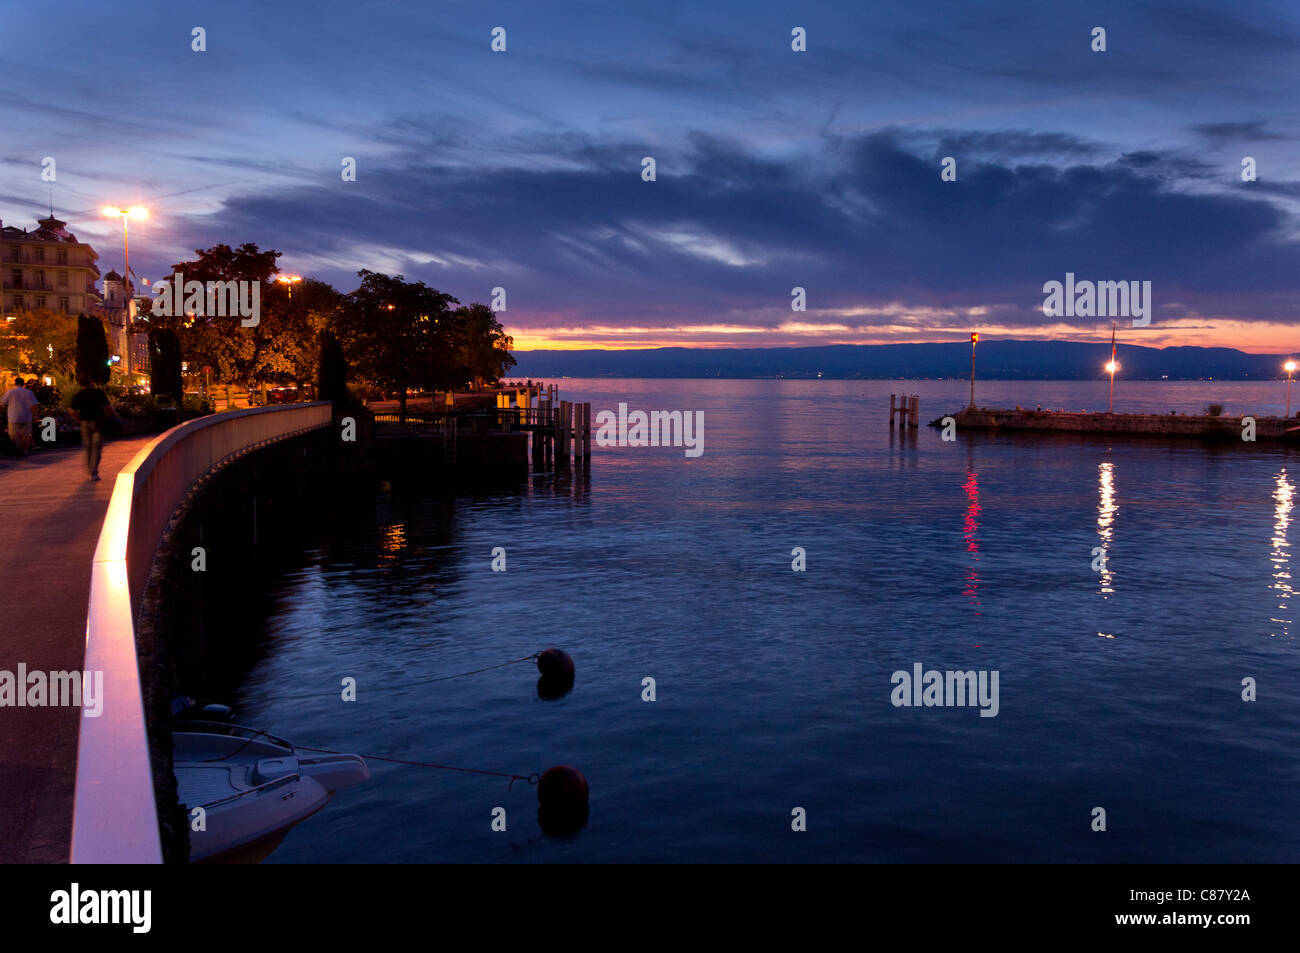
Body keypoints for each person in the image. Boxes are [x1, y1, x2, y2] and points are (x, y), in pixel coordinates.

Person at [70, 377, 113, 481]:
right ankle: (94, 472)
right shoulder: (99, 393)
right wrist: (107, 417)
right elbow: (109, 408)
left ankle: (90, 470)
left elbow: (72, 411)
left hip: (85, 423)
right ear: (91, 382)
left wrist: (78, 419)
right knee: (97, 448)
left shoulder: (78, 396)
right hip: (98, 423)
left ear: (80, 384)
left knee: (88, 448)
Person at [2, 377, 39, 457]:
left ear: (15, 383)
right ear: (23, 383)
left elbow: (3, 402)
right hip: (26, 416)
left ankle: (18, 450)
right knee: (25, 435)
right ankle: (24, 450)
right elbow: (34, 405)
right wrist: (36, 415)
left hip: (13, 416)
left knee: (14, 435)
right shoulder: (29, 392)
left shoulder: (10, 392)